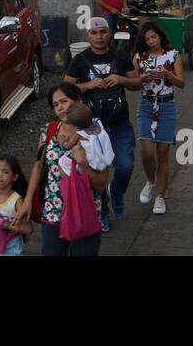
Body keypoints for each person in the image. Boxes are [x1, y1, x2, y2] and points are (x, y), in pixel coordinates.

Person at [17, 83, 111, 256]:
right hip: (53, 213)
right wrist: (28, 200)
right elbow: (38, 165)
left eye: (64, 101)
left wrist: (83, 164)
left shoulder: (96, 135)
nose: (60, 107)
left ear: (78, 102)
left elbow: (100, 185)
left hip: (84, 215)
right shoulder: (49, 131)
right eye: (55, 105)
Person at [64, 19, 138, 232]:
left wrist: (121, 79)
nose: (99, 36)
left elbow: (137, 82)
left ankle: (116, 194)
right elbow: (66, 88)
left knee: (125, 167)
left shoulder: (120, 56)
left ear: (110, 34)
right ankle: (103, 211)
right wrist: (88, 85)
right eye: (94, 32)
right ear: (87, 36)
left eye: (103, 32)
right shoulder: (80, 59)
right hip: (92, 129)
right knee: (97, 173)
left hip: (120, 124)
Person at [131, 21, 185, 215]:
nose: (151, 41)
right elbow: (133, 82)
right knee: (146, 152)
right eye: (146, 39)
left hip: (167, 105)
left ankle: (160, 196)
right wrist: (142, 79)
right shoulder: (139, 57)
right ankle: (150, 181)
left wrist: (167, 75)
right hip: (146, 105)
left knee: (162, 152)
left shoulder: (173, 55)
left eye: (153, 37)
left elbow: (181, 83)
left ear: (160, 36)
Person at [0, 155, 31, 256]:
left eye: (5, 172)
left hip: (11, 246)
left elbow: (29, 228)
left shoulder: (16, 201)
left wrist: (11, 227)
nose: (0, 175)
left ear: (15, 176)